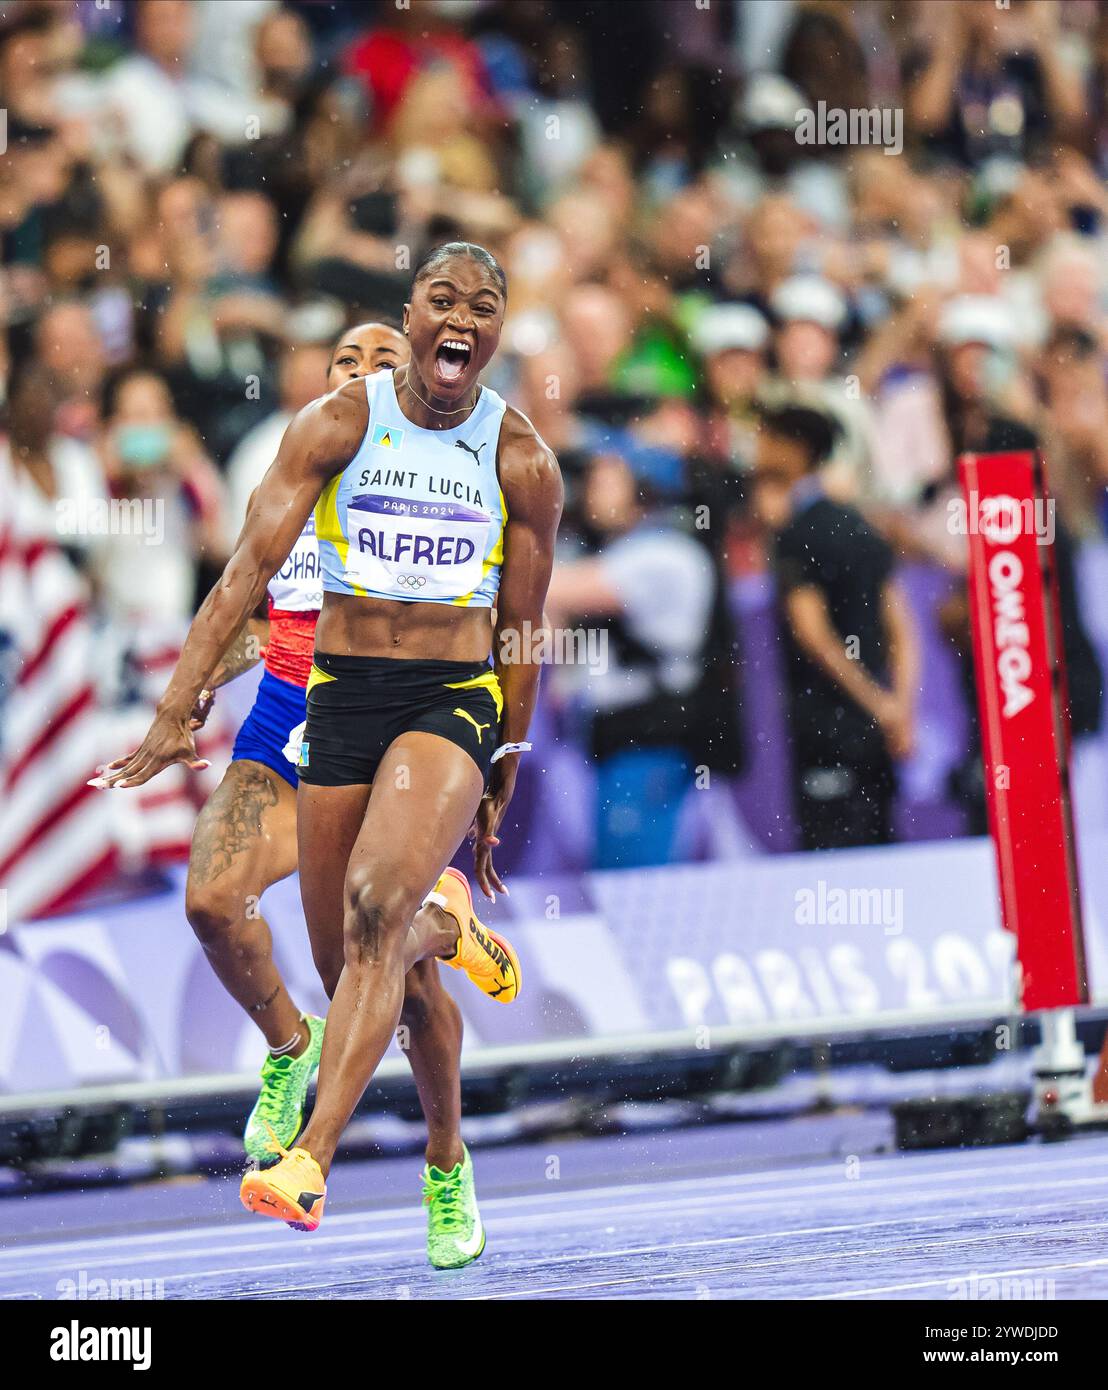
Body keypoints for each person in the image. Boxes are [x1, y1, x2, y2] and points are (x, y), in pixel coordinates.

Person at [96, 243, 563, 1265]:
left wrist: (506, 754)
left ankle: (311, 1158)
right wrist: (176, 707)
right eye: (441, 297)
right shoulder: (339, 426)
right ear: (411, 312)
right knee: (362, 960)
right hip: (334, 701)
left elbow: (522, 628)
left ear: (494, 332)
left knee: (370, 915)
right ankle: (450, 1113)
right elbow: (244, 573)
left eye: (481, 306)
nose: (459, 316)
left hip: (446, 701)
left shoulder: (519, 456)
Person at [752, 404, 918, 850]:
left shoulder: (795, 534)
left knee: (834, 866)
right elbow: (902, 630)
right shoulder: (862, 526)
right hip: (873, 734)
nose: (757, 449)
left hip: (826, 730)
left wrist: (878, 704)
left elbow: (814, 636)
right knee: (879, 850)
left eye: (767, 437)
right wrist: (897, 707)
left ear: (796, 450)